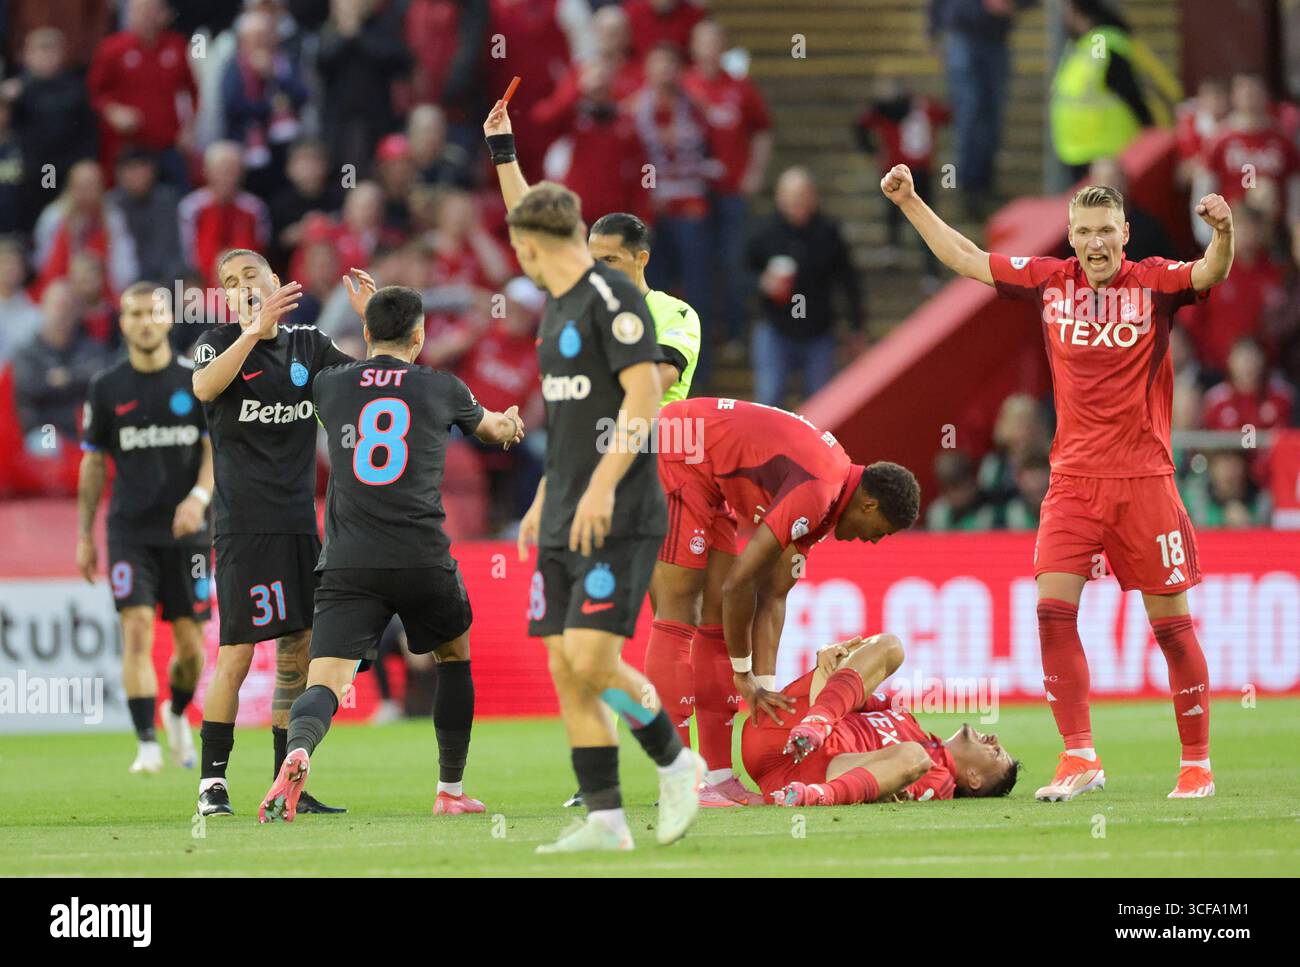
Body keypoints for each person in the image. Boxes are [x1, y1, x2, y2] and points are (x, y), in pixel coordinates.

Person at [882, 163, 1234, 800]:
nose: (1095, 243)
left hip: (1144, 481)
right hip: (1071, 481)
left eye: (1105, 230)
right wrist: (910, 202)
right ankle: (1079, 757)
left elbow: (1210, 272)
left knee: (1172, 630)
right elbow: (966, 256)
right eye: (1083, 232)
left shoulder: (1155, 282)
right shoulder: (1048, 283)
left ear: (1124, 233)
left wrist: (1223, 233)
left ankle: (1197, 764)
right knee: (1050, 613)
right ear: (1068, 238)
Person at [486, 99, 705, 807]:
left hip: (656, 474)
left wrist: (602, 481)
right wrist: (504, 153)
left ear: (637, 260)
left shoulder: (649, 310)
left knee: (645, 633)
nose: (597, 268)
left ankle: (684, 762)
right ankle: (606, 799)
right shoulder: (573, 298)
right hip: (576, 480)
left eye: (612, 259)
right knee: (572, 658)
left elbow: (651, 390)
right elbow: (535, 227)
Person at [258, 285, 526, 822]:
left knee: (326, 681)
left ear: (364, 333)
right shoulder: (440, 386)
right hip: (421, 555)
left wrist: (369, 326)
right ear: (422, 336)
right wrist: (512, 424)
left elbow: (358, 374)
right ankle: (450, 790)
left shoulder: (330, 386)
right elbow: (496, 429)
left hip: (349, 560)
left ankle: (301, 748)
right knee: (454, 658)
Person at [647, 397, 920, 803]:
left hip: (707, 471)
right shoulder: (820, 490)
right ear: (869, 504)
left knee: (716, 621)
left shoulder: (830, 500)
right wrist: (743, 674)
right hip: (675, 448)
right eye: (880, 530)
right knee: (679, 609)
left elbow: (772, 595)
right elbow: (739, 584)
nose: (873, 540)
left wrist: (766, 694)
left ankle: (717, 775)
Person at [188, 248, 355, 818]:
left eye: (251, 275)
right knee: (236, 651)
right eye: (230, 282)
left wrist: (377, 324)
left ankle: (290, 780)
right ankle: (212, 783)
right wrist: (251, 332)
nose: (242, 286)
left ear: (277, 281)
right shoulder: (216, 343)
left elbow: (366, 385)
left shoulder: (308, 346)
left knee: (299, 652)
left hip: (297, 526)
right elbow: (206, 388)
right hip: (243, 528)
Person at [77, 281, 212, 775]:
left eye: (152, 312)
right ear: (123, 323)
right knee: (134, 630)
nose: (144, 322)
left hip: (189, 532)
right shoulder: (106, 387)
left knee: (192, 649)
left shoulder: (196, 380)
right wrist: (84, 534)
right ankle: (147, 745)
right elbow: (92, 464)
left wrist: (199, 498)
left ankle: (175, 712)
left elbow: (214, 450)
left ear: (169, 318)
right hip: (129, 531)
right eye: (133, 314)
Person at [748, 633, 1019, 805]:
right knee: (891, 646)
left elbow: (901, 775)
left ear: (974, 779)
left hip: (812, 774)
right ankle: (820, 719)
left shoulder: (939, 780)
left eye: (996, 754)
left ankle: (818, 797)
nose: (994, 740)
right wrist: (832, 656)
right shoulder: (906, 717)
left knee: (915, 756)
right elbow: (852, 691)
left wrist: (887, 788)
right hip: (786, 728)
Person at [746, 167, 863, 406]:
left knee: (822, 406)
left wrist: (856, 326)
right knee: (769, 401)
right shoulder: (763, 233)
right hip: (775, 330)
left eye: (803, 196)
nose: (797, 204)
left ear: (814, 198)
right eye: (792, 197)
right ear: (780, 198)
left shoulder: (828, 233)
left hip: (818, 333)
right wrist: (762, 282)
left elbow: (848, 280)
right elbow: (740, 274)